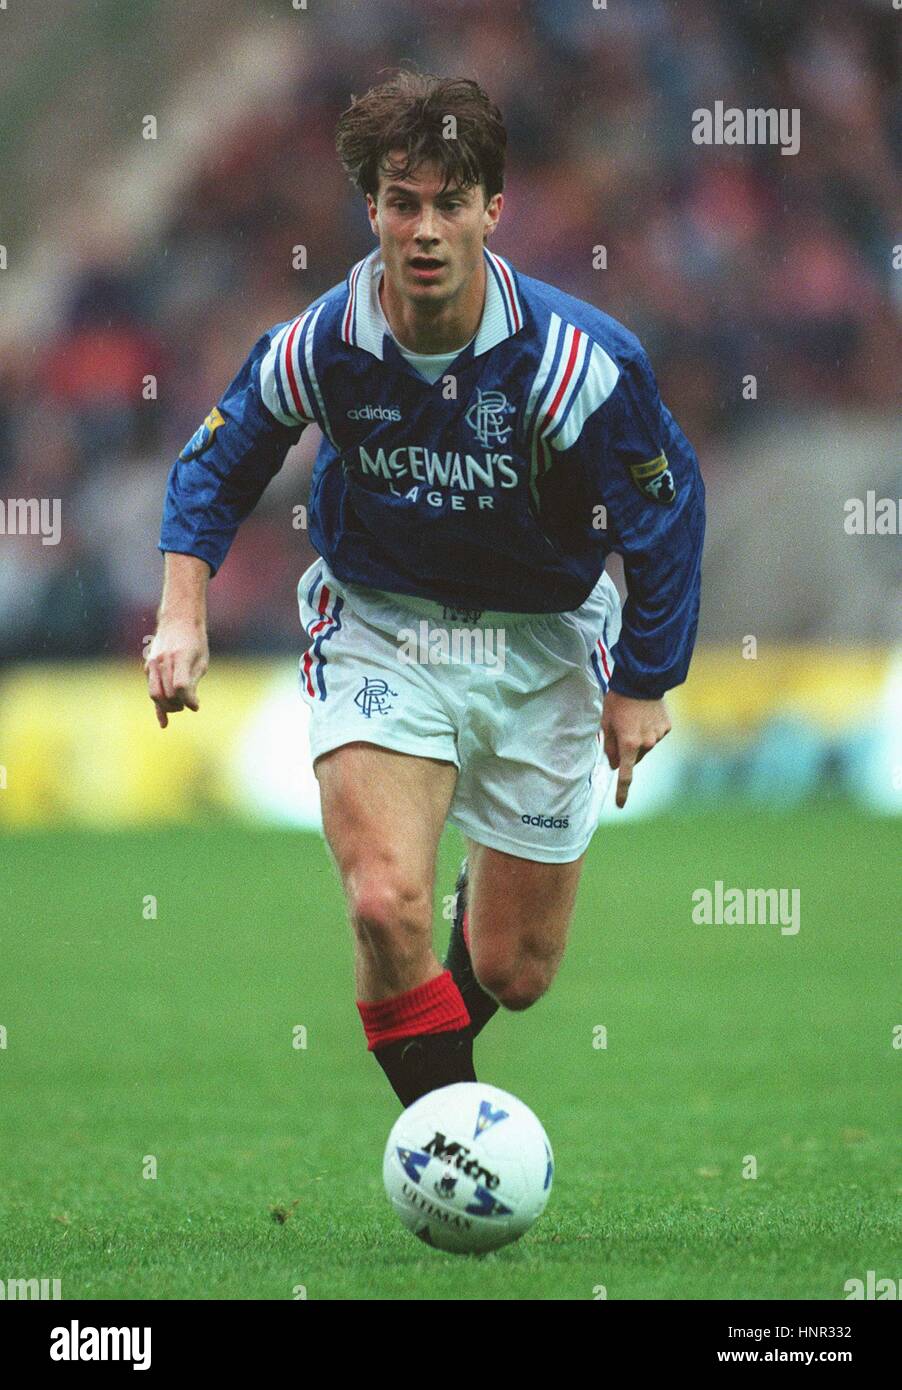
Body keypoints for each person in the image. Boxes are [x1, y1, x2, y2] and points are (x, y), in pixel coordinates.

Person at [146, 70, 705, 1109]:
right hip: (382, 628)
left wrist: (643, 680)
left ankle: (461, 967)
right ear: (372, 211)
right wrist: (182, 612)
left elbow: (664, 513)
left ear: (494, 209)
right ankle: (453, 1145)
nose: (425, 228)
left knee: (514, 972)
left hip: (541, 641)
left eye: (451, 202)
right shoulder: (325, 341)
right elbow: (214, 462)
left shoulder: (575, 362)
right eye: (402, 202)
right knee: (379, 902)